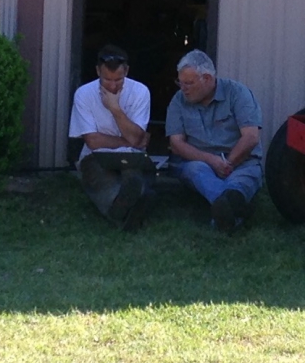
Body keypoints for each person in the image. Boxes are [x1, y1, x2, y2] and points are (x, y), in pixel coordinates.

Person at [165, 49, 263, 231]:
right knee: (196, 170)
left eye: (189, 83)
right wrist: (212, 160)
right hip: (201, 162)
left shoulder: (237, 93)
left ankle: (226, 208)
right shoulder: (178, 100)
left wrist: (228, 163)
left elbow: (251, 137)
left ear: (208, 79)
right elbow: (176, 144)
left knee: (244, 177)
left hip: (241, 161)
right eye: (180, 82)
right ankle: (232, 205)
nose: (183, 88)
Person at [68, 44, 154, 231]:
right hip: (96, 155)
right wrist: (131, 139)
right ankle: (127, 207)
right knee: (102, 181)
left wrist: (115, 108)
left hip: (131, 155)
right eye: (107, 80)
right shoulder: (84, 94)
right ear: (98, 71)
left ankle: (126, 207)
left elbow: (135, 138)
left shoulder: (140, 92)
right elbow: (93, 141)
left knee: (133, 176)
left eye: (118, 80)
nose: (113, 86)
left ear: (127, 71)